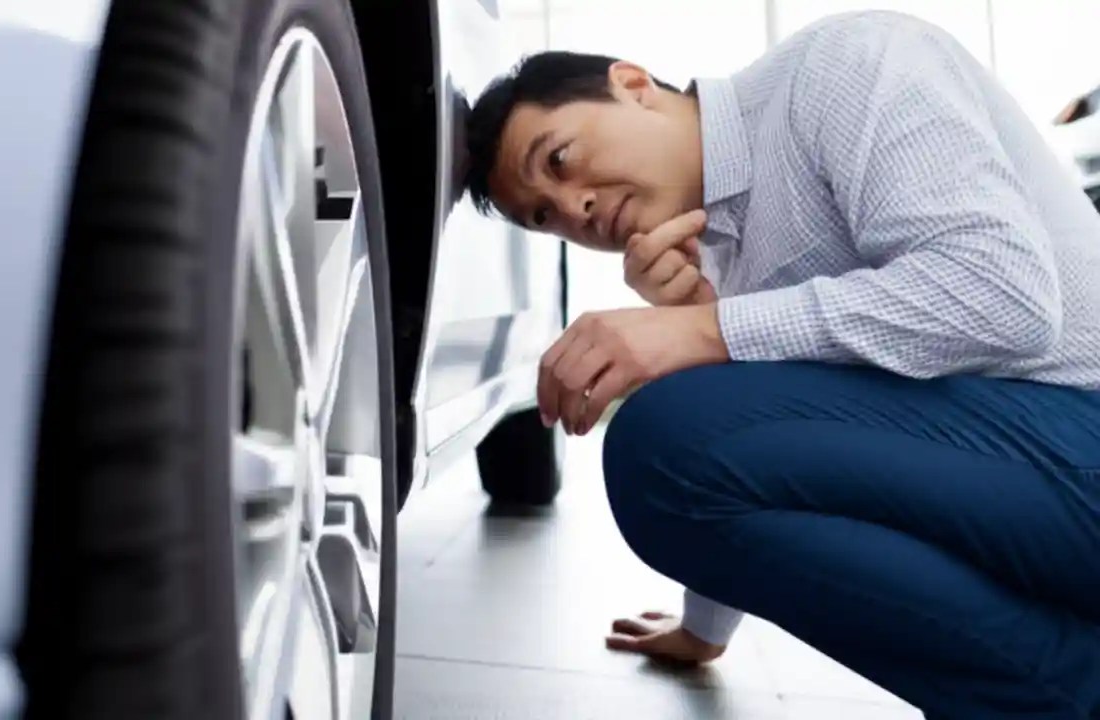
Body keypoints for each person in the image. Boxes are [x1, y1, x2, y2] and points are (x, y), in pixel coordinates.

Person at [461, 9, 1100, 720]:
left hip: (1083, 432)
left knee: (656, 441)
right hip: (1041, 481)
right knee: (666, 444)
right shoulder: (714, 252)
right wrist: (703, 629)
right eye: (545, 218)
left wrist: (699, 333)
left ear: (633, 84)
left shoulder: (848, 65)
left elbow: (1005, 298)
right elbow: (764, 442)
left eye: (558, 160)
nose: (575, 207)